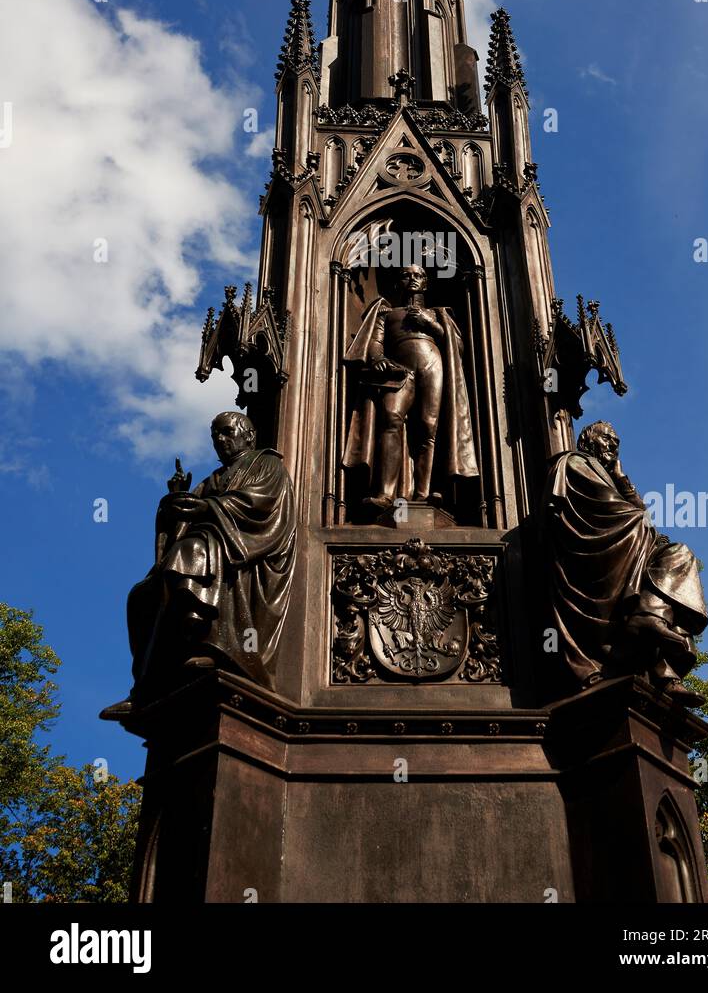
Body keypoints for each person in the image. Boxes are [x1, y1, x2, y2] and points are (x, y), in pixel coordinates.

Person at [102, 411, 296, 715]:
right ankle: (148, 685)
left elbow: (260, 504)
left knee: (190, 553)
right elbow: (183, 521)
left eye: (227, 432)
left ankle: (206, 641)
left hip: (245, 553)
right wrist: (178, 500)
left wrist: (207, 508)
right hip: (212, 547)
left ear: (249, 436)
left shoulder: (266, 464)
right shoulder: (212, 480)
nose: (220, 440)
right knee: (142, 594)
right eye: (215, 435)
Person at [541, 420, 708, 705]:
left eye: (617, 442)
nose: (613, 445)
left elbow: (639, 515)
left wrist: (621, 478)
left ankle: (651, 630)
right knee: (653, 541)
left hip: (623, 549)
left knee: (681, 554)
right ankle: (652, 638)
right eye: (607, 438)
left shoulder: (611, 478)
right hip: (593, 555)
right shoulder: (575, 463)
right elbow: (615, 512)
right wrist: (643, 527)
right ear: (588, 442)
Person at [343, 265, 478, 510]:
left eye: (418, 276)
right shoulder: (387, 312)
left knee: (429, 425)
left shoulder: (438, 314)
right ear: (398, 282)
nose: (412, 279)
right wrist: (379, 359)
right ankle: (386, 493)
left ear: (426, 283)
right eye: (406, 275)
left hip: (432, 365)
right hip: (400, 370)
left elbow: (458, 349)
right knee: (391, 418)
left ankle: (424, 493)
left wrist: (431, 324)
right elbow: (375, 342)